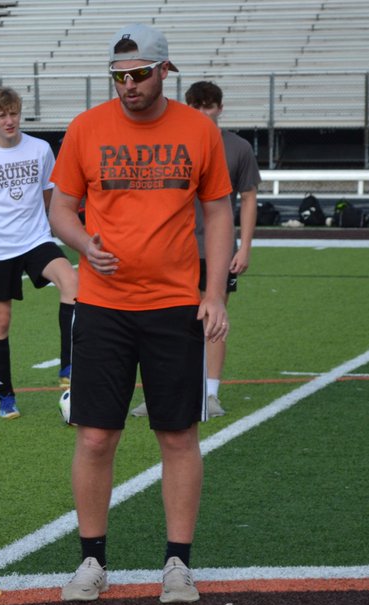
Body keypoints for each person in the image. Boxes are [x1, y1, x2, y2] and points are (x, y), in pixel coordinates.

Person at [48, 24, 234, 603]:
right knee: (95, 436)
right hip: (103, 307)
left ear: (164, 71)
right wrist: (83, 242)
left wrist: (216, 293)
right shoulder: (86, 128)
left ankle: (177, 564)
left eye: (139, 74)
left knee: (177, 434)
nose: (128, 86)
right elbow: (61, 209)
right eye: (118, 76)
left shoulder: (198, 130)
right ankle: (91, 561)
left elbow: (220, 214)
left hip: (175, 304)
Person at [132, 80, 260, 420]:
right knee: (162, 322)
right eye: (197, 106)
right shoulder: (171, 143)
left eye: (209, 106)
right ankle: (158, 393)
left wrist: (245, 246)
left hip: (217, 250)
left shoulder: (237, 148)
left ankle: (210, 394)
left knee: (213, 319)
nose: (204, 113)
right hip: (173, 250)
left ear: (219, 108)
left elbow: (248, 199)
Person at [0, 86, 78, 419]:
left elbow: (50, 197)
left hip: (36, 240)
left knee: (72, 283)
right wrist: (2, 227)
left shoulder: (42, 149)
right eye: (2, 115)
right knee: (1, 322)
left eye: (13, 113)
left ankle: (68, 366)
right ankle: (6, 396)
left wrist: (47, 227)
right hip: (0, 247)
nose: (9, 120)